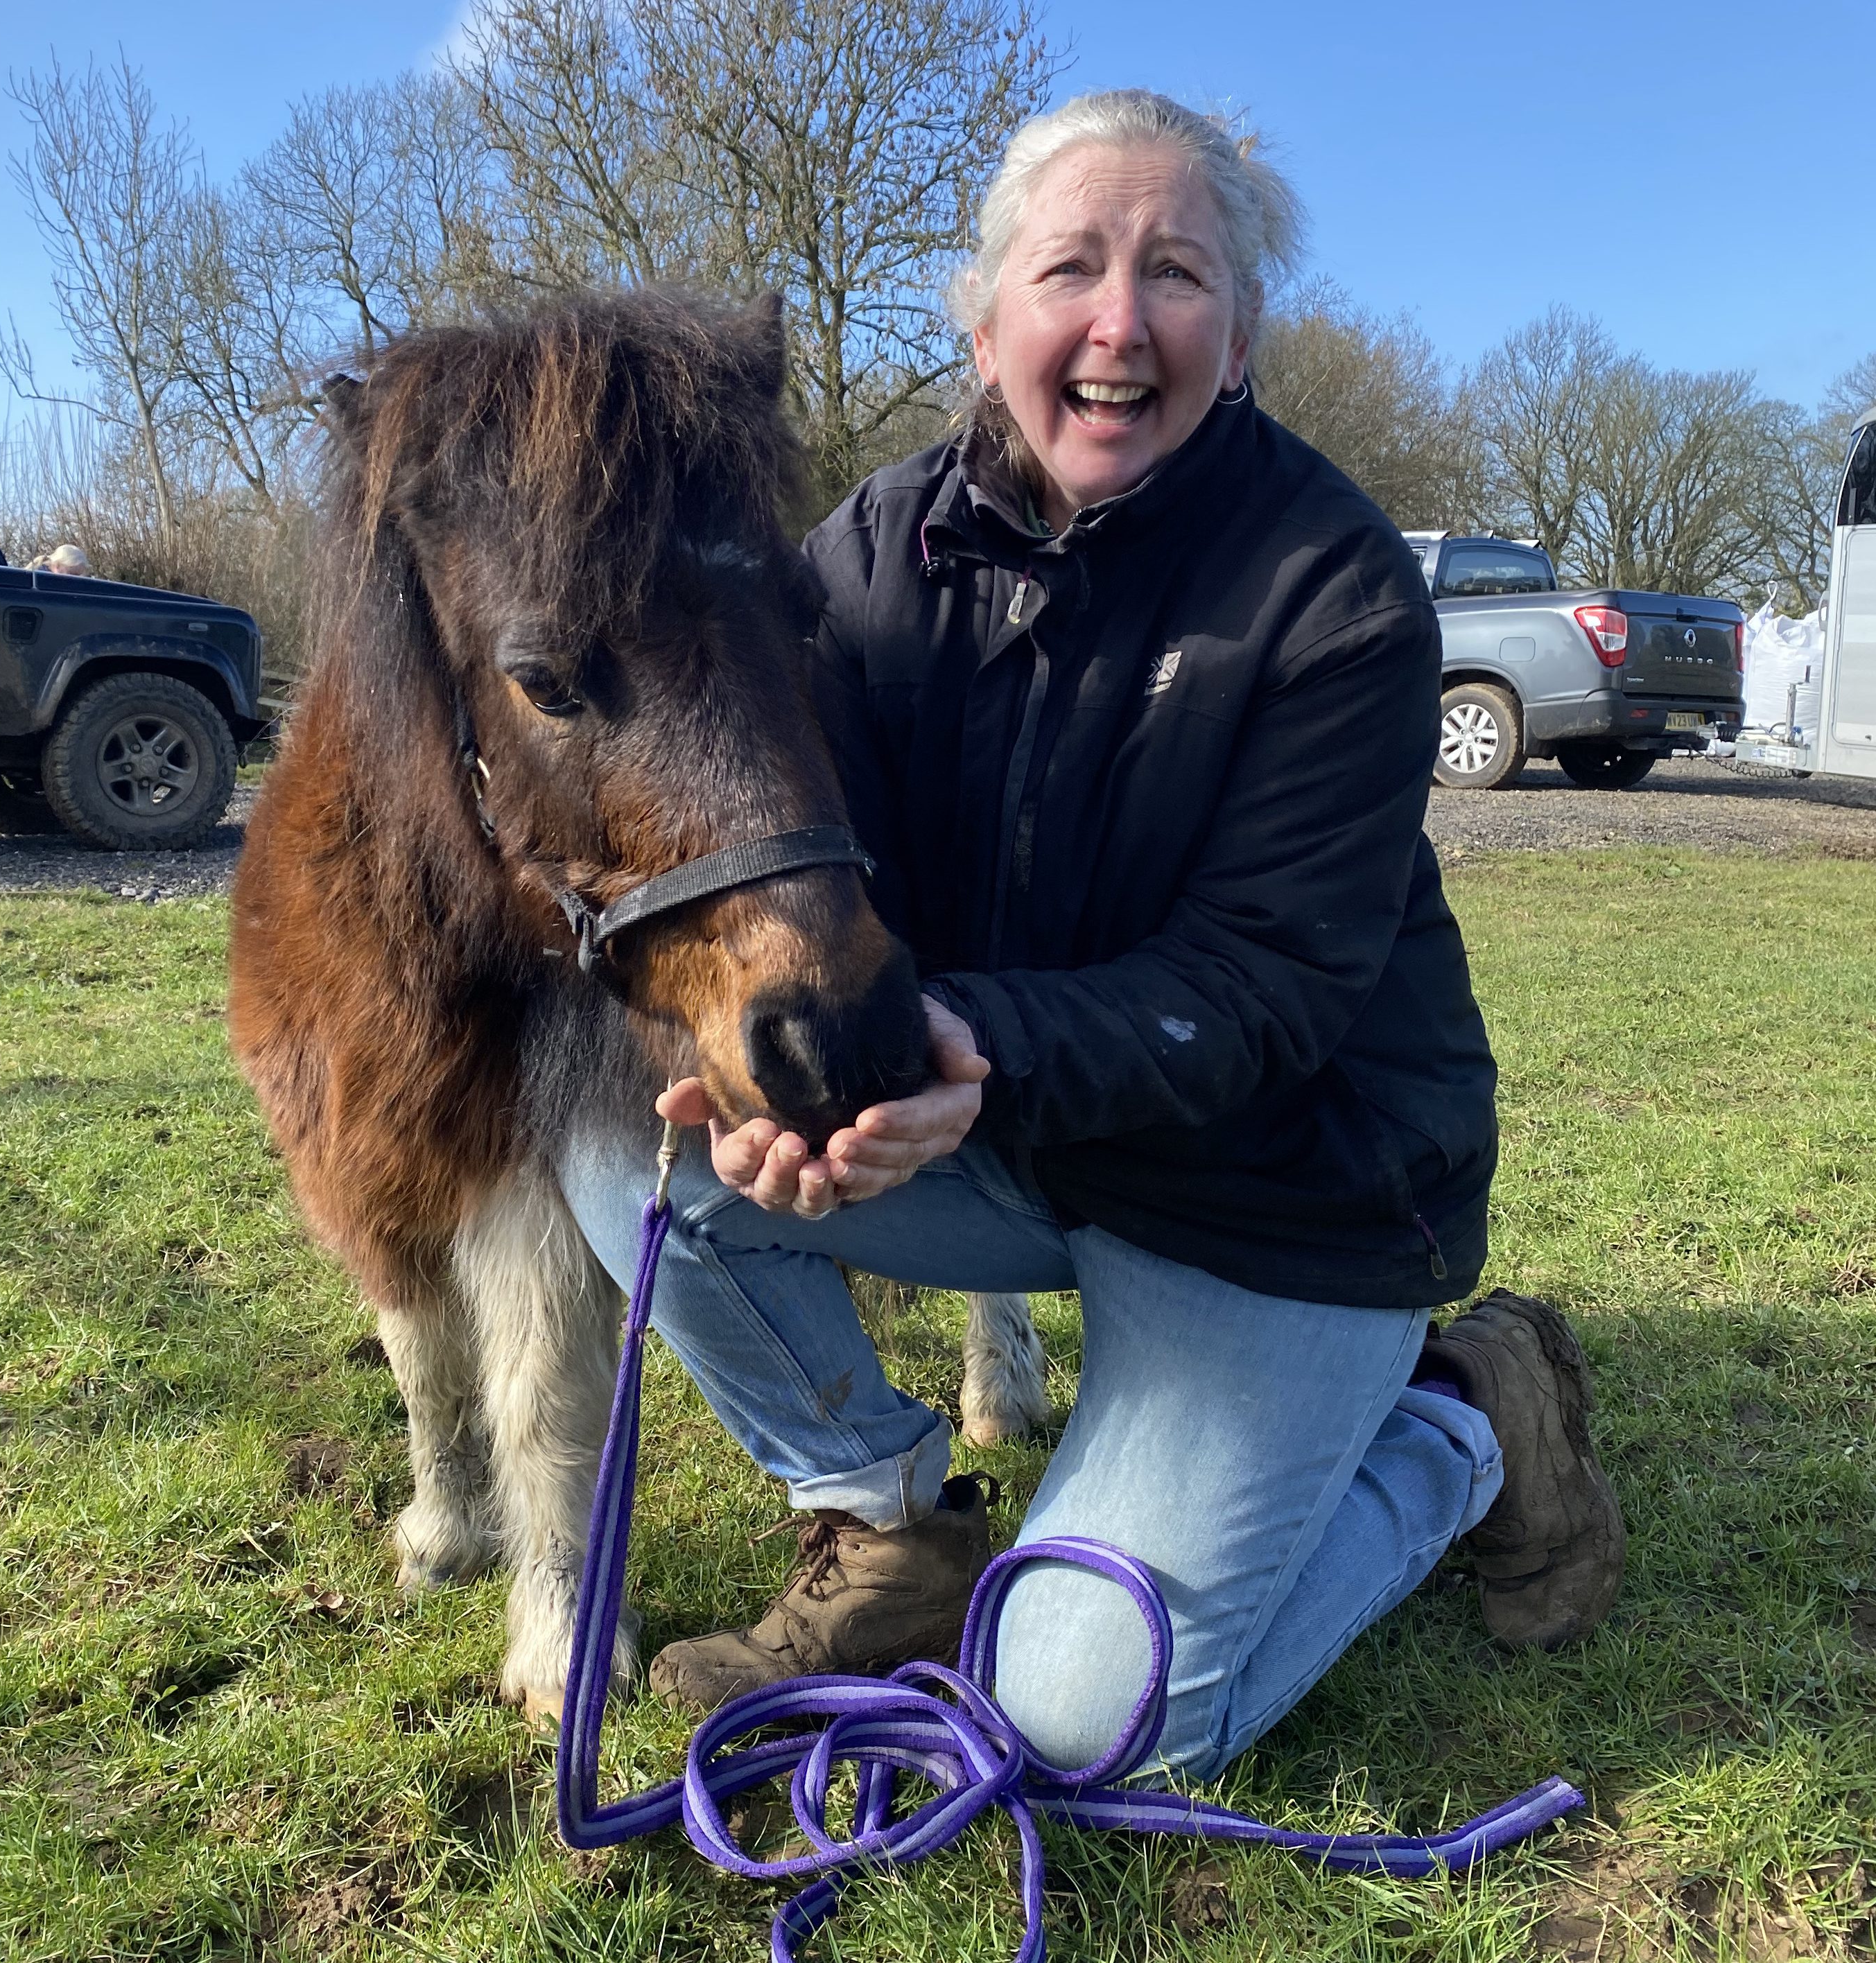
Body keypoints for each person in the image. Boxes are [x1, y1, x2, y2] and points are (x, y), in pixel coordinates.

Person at [561, 89, 1625, 1779]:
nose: (1121, 322)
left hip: (1283, 1194)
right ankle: (895, 1523)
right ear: (986, 328)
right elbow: (808, 876)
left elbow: (1265, 989)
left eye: (1179, 273)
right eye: (1070, 268)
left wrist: (962, 1052)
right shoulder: (857, 563)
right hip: (1027, 1146)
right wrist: (797, 1100)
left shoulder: (1336, 589)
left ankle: (1460, 1422)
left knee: (1077, 1722)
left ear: (1245, 337)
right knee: (627, 1149)